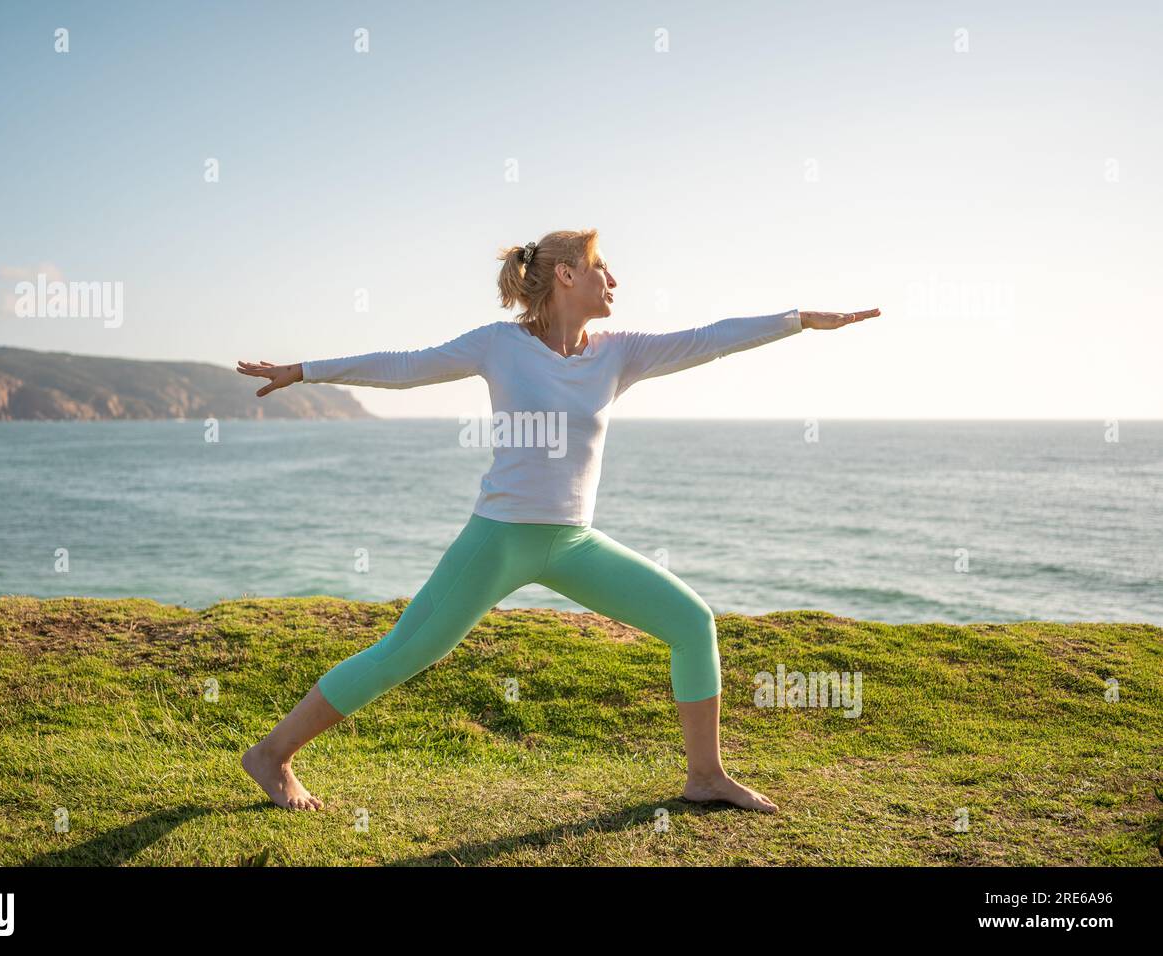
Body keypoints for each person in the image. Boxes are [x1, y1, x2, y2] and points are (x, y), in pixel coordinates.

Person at [236, 228, 878, 813]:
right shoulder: (500, 345)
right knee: (404, 653)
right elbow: (408, 366)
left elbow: (708, 340)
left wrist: (796, 320)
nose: (615, 281)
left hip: (572, 543)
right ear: (567, 275)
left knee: (691, 622)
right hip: (500, 539)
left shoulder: (618, 354)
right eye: (603, 267)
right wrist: (305, 371)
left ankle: (705, 775)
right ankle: (271, 756)